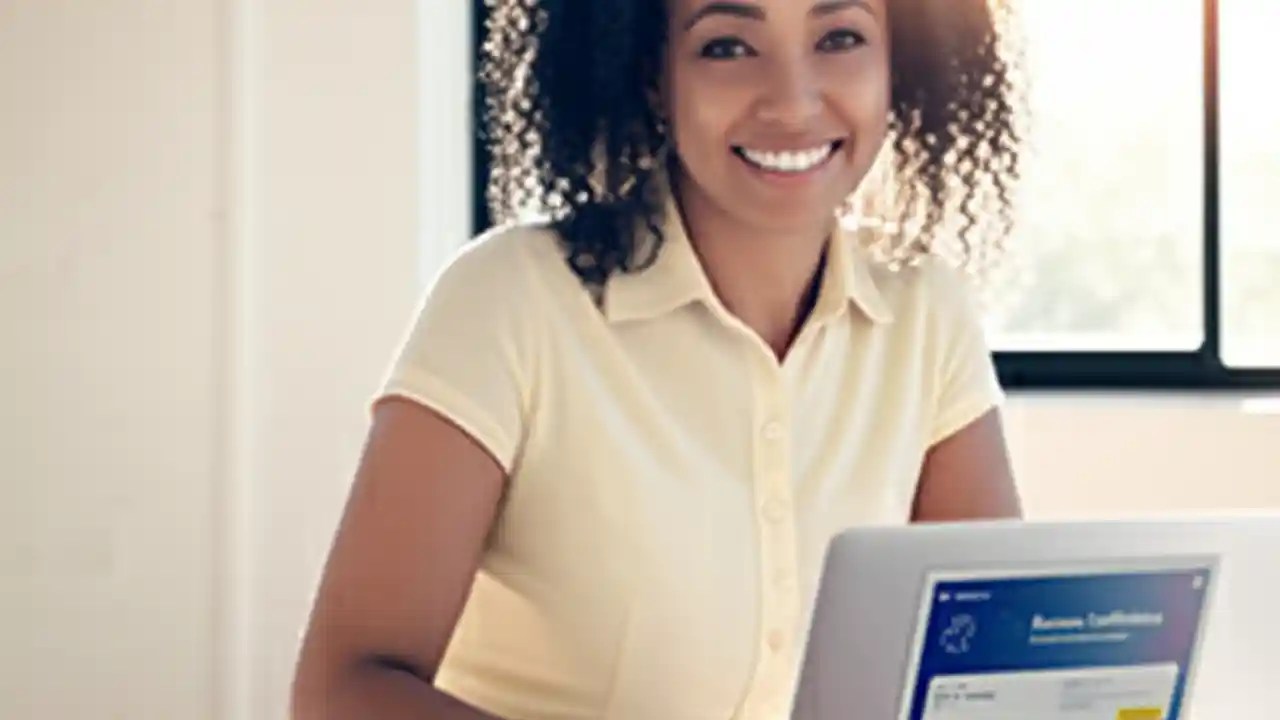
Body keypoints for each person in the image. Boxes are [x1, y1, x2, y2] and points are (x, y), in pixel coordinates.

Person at [292, 0, 1024, 717]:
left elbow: (1000, 674)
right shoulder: (510, 300)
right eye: (727, 46)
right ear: (651, 74)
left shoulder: (927, 314)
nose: (792, 100)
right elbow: (343, 690)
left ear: (903, 62)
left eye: (839, 36)